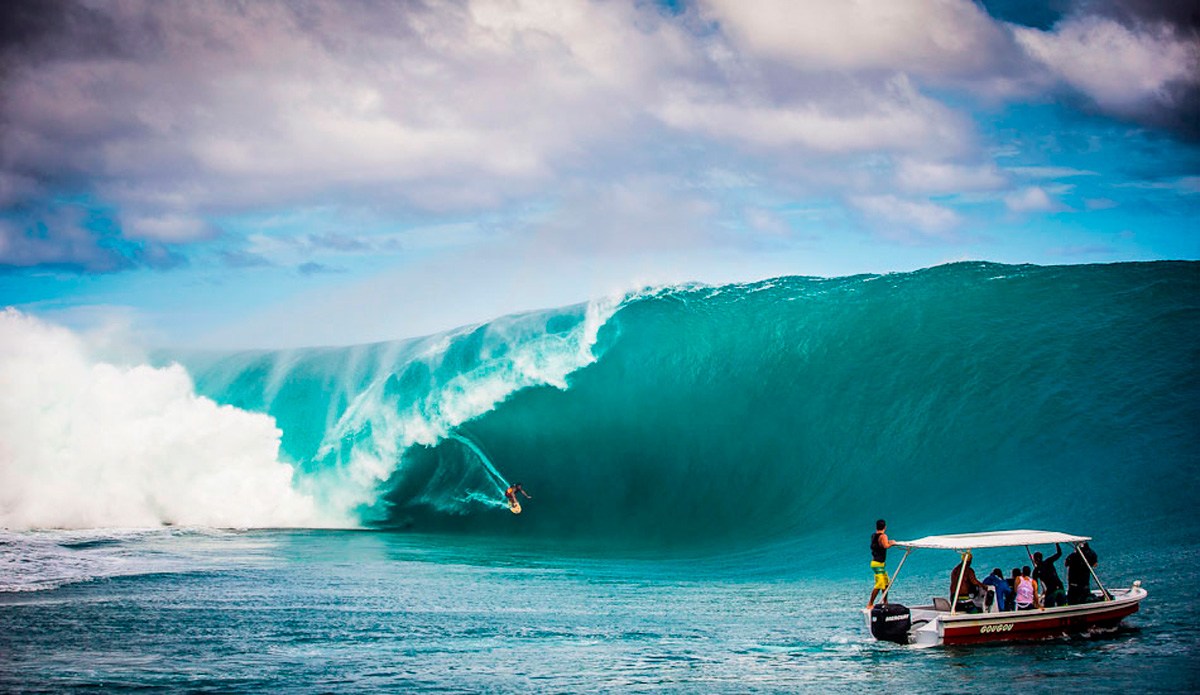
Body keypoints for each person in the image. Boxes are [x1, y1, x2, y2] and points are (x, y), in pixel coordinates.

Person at [868, 519, 898, 609]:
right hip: (878, 564)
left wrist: (887, 543)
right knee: (880, 583)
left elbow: (880, 545)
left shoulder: (874, 536)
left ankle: (885, 602)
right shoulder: (883, 536)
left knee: (885, 583)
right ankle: (870, 604)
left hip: (877, 563)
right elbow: (885, 546)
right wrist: (892, 543)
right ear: (885, 527)